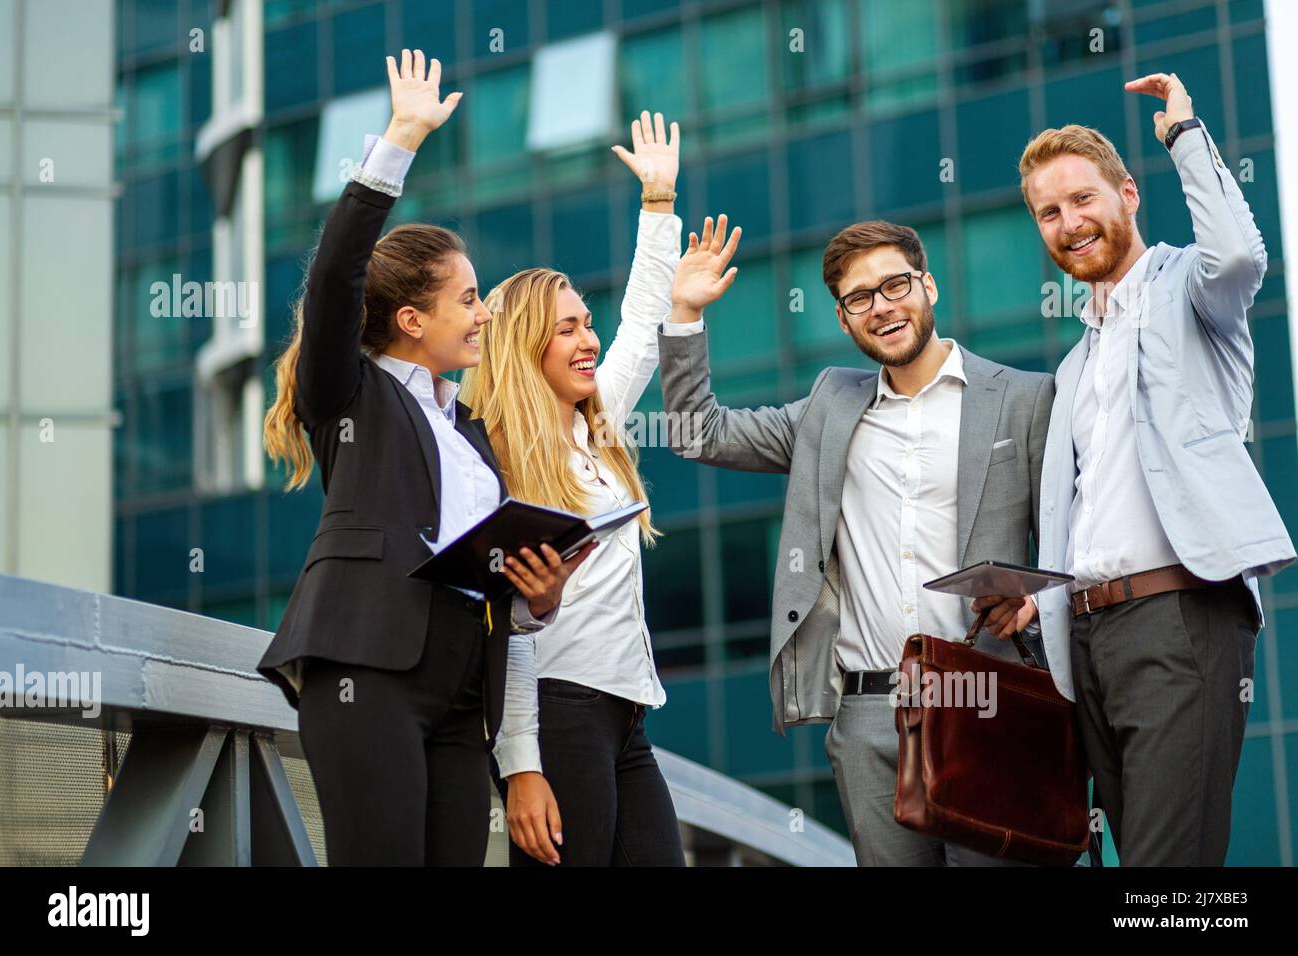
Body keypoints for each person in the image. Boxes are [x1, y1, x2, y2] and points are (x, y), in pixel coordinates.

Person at [257, 49, 591, 866]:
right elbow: (336, 277)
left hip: (460, 693)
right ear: (411, 320)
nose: (484, 315)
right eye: (469, 299)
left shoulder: (471, 432)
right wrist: (400, 140)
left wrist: (538, 595)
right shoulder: (352, 397)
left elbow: (493, 577)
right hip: (367, 671)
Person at [656, 216, 1054, 865]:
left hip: (986, 697)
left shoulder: (1024, 399)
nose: (882, 306)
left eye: (895, 285)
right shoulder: (827, 407)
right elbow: (696, 433)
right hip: (870, 711)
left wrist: (1037, 603)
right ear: (843, 320)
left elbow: (1072, 532)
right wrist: (685, 311)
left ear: (928, 286)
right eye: (860, 298)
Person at [990, 72, 1294, 865]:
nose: (1069, 223)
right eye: (1048, 213)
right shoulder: (1072, 366)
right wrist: (1043, 597)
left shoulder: (1191, 295)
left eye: (1084, 199)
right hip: (1087, 639)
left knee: (1169, 874)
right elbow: (1092, 505)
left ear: (1127, 194)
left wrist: (1184, 136)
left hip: (1181, 616)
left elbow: (1237, 254)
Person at [461, 112, 689, 867]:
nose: (588, 340)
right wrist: (522, 764)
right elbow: (509, 630)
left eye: (586, 324)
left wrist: (658, 205)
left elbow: (644, 320)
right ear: (527, 344)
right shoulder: (493, 459)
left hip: (626, 715)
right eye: (566, 329)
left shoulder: (599, 429)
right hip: (557, 711)